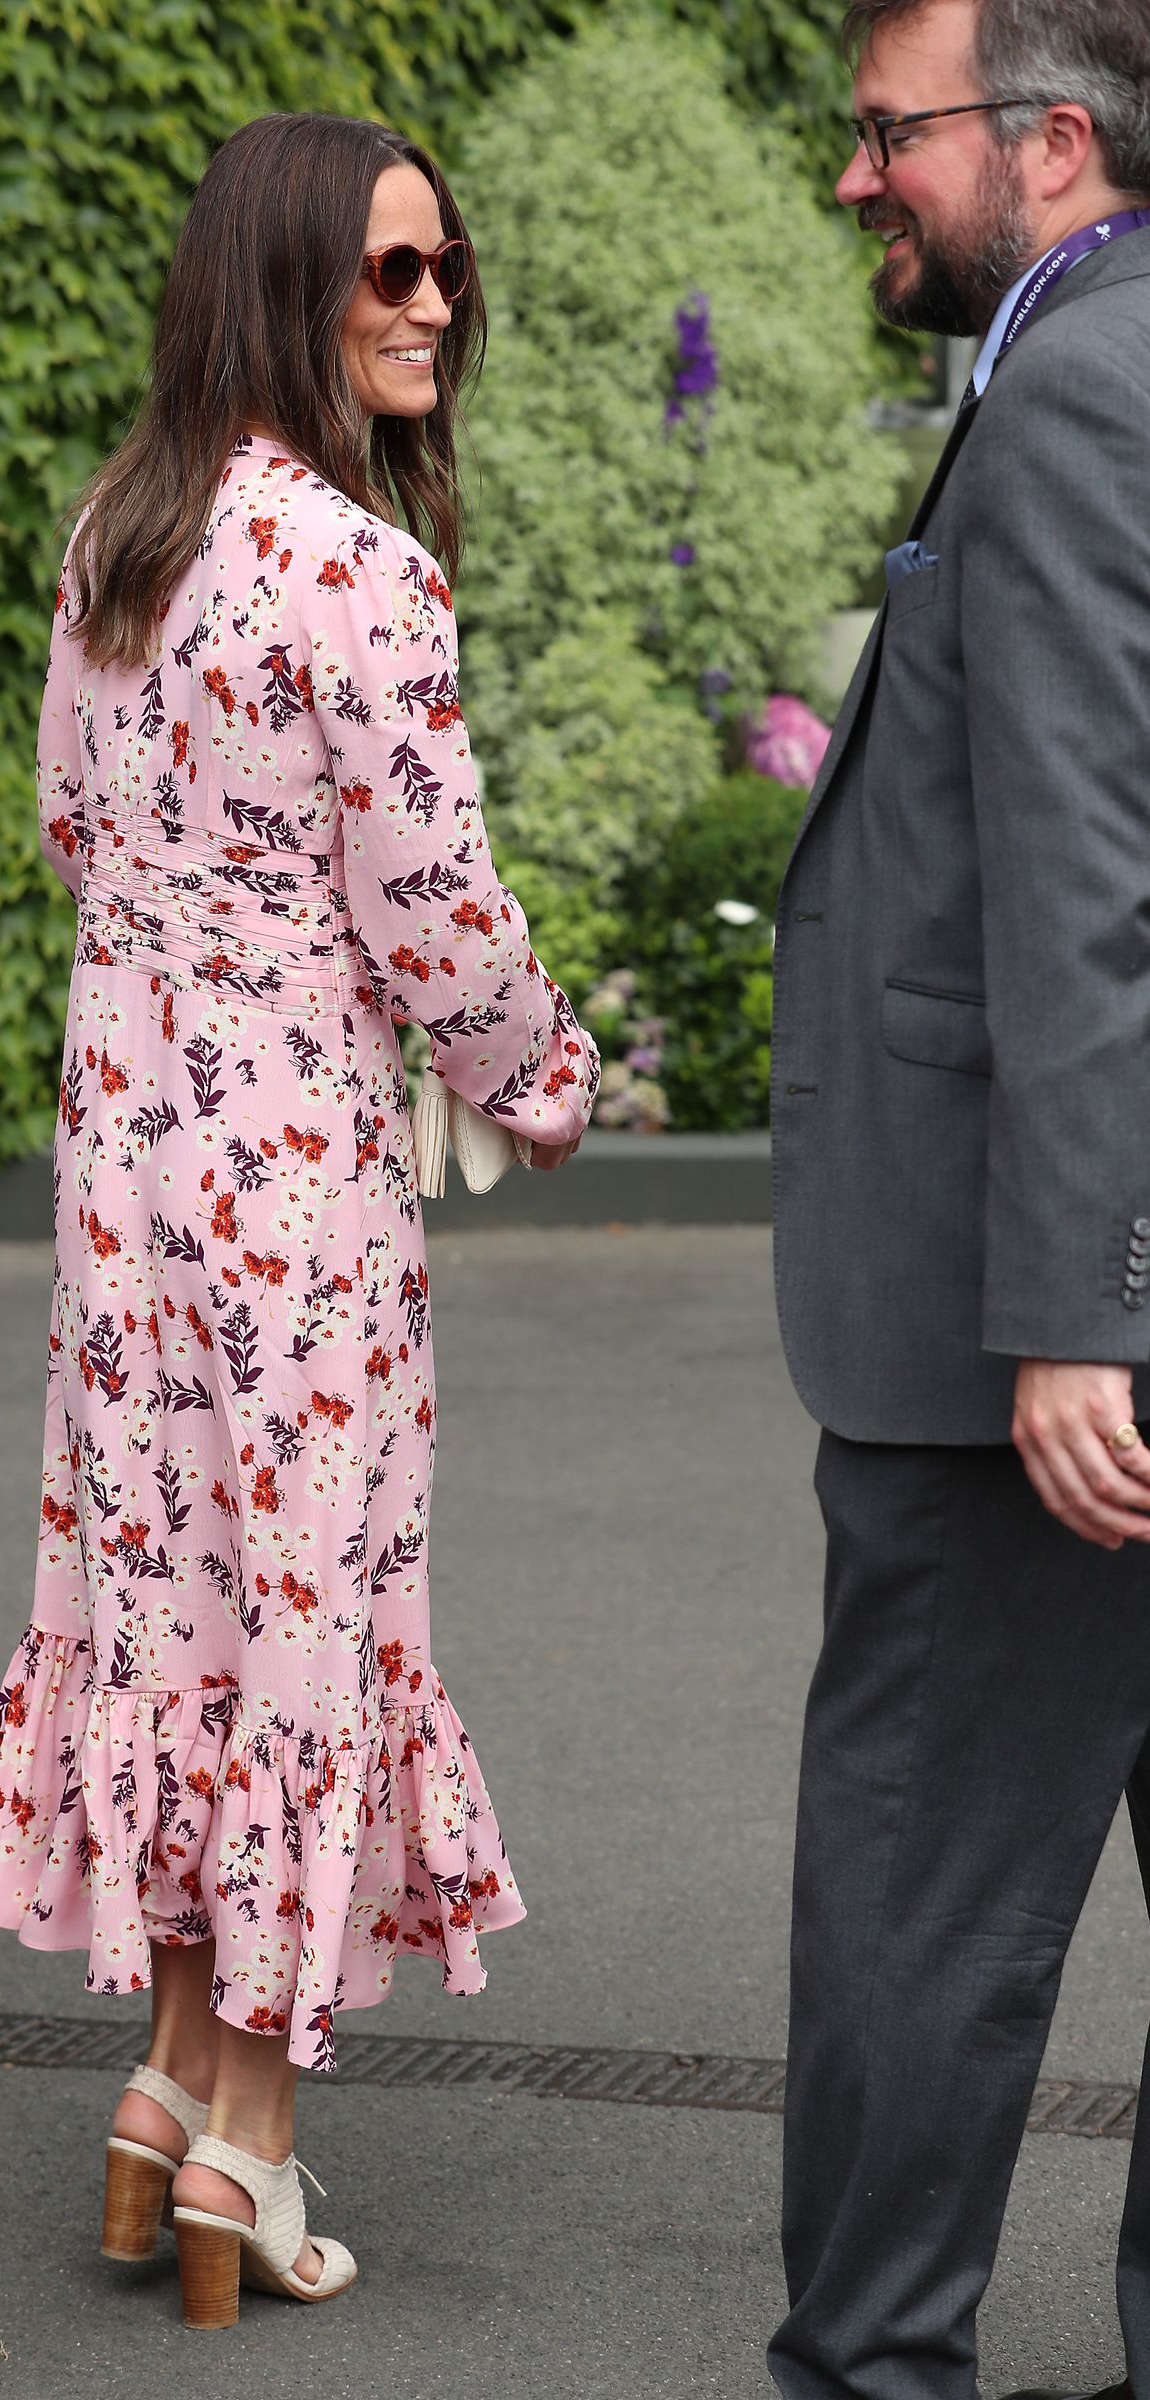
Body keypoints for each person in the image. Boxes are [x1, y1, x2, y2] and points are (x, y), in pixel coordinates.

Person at [0, 110, 597, 2330]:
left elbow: (56, 818)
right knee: (301, 1633)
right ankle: (252, 2150)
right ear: (282, 281)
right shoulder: (359, 574)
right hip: (294, 1185)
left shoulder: (121, 531)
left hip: (122, 1180)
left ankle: (164, 2086)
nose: (427, 307)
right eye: (385, 273)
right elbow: (434, 914)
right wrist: (539, 1073)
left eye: (440, 272)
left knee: (172, 1613)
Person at [767, 0, 1150, 2394]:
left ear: (1049, 136)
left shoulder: (1080, 398)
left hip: (1037, 1362)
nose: (849, 178)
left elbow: (1084, 892)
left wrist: (1077, 1306)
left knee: (918, 1907)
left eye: (879, 132)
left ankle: (866, 2380)